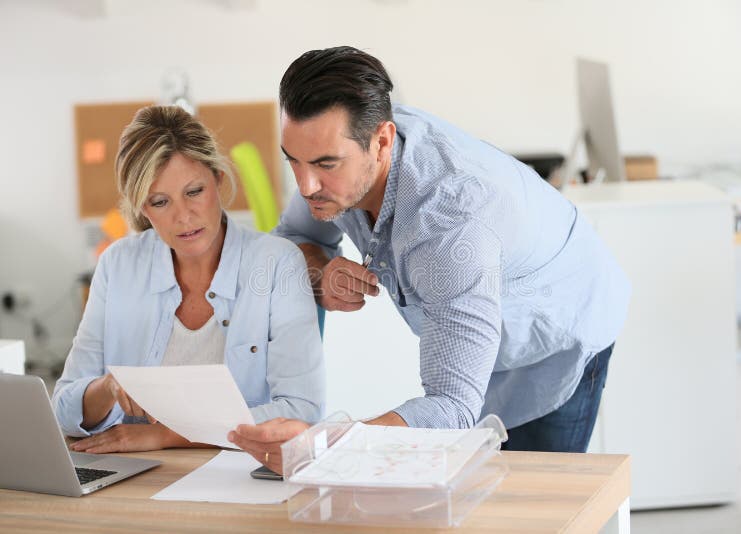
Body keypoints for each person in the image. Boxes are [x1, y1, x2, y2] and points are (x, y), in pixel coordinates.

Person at [228, 46, 630, 473]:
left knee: (537, 502)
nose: (306, 186)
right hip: (475, 317)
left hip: (555, 330)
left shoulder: (449, 225)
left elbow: (454, 408)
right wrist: (319, 271)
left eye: (325, 164)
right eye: (295, 161)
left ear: (382, 141)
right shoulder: (341, 149)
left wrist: (327, 446)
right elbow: (295, 236)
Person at [53, 105, 324, 453]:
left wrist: (166, 436)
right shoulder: (118, 265)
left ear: (218, 181)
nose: (183, 217)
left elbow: (302, 410)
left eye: (194, 192)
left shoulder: (277, 263)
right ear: (142, 209)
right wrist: (108, 388)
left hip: (240, 478)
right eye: (160, 201)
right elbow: (63, 409)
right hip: (139, 480)